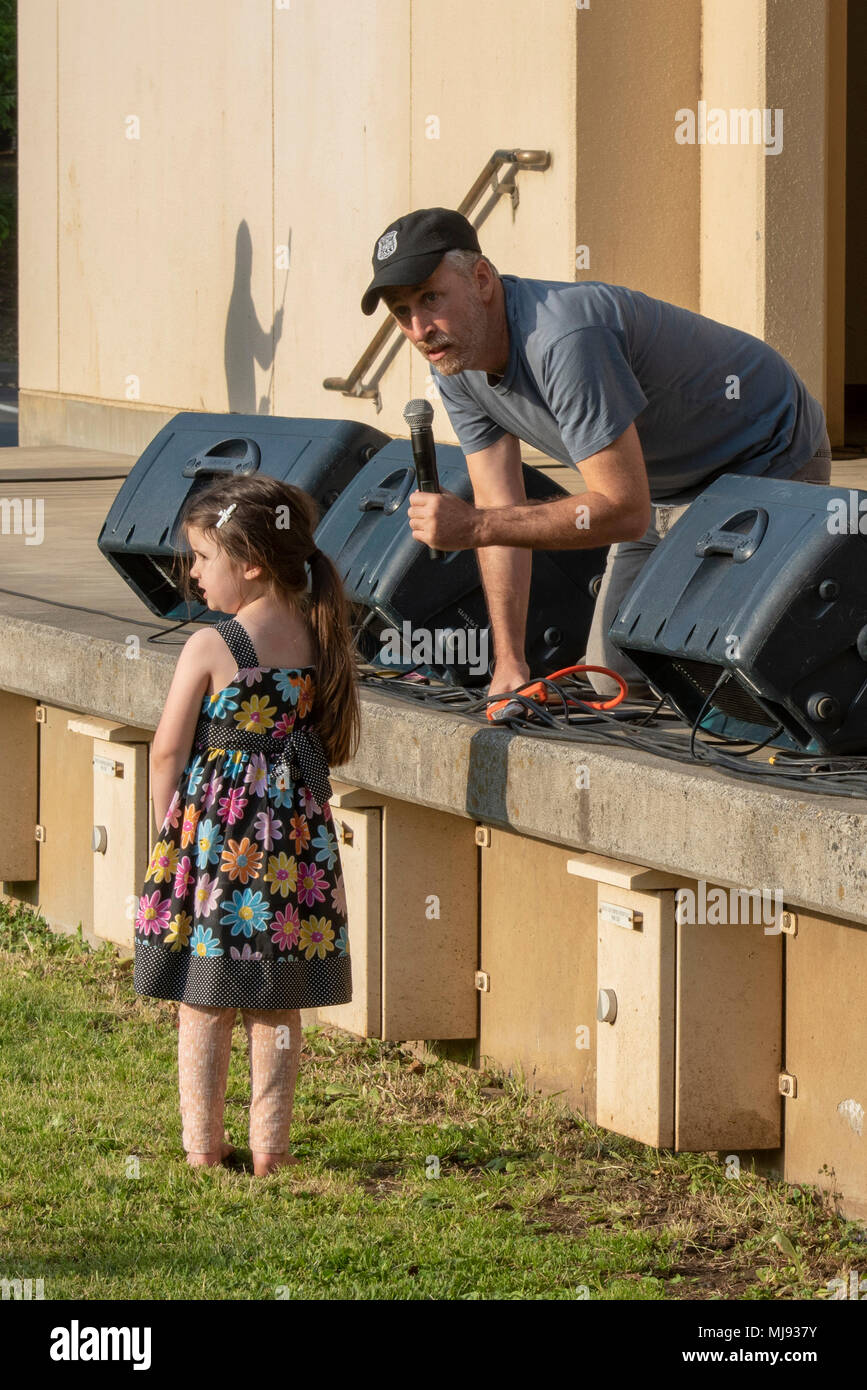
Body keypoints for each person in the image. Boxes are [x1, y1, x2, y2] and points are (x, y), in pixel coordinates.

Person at [360, 207, 832, 704]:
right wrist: (509, 663)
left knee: (746, 674)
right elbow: (500, 506)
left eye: (430, 298)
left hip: (768, 452)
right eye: (401, 311)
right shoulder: (455, 362)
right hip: (659, 489)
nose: (418, 328)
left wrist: (475, 526)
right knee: (614, 676)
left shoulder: (564, 338)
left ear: (481, 279)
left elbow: (620, 511)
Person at [133, 475, 359, 1176]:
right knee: (275, 1000)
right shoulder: (316, 633)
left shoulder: (213, 643)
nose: (192, 573)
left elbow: (169, 748)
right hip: (292, 838)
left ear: (251, 562)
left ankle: (203, 1148)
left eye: (201, 557)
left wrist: (164, 831)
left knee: (206, 998)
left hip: (218, 839)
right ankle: (272, 1151)